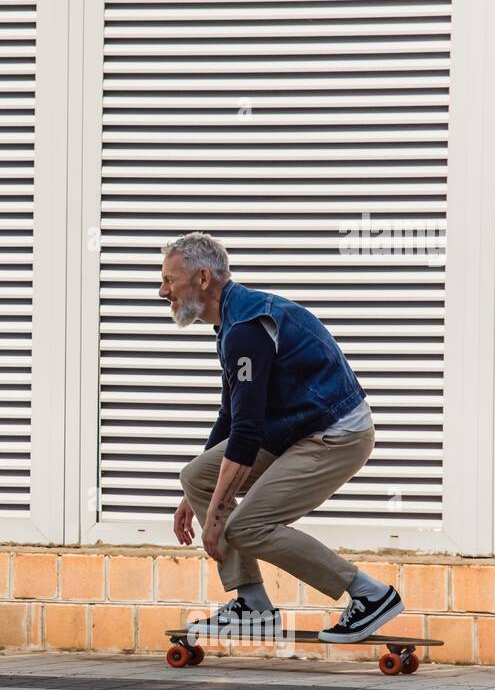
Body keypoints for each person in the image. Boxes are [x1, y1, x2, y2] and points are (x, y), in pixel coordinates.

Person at [162, 232, 403, 643]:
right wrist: (198, 494)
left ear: (203, 278)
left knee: (245, 526)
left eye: (169, 279)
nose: (161, 291)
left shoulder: (248, 328)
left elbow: (246, 429)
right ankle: (253, 607)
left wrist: (216, 518)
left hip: (334, 435)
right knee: (197, 475)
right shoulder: (232, 323)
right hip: (293, 429)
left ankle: (370, 594)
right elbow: (230, 415)